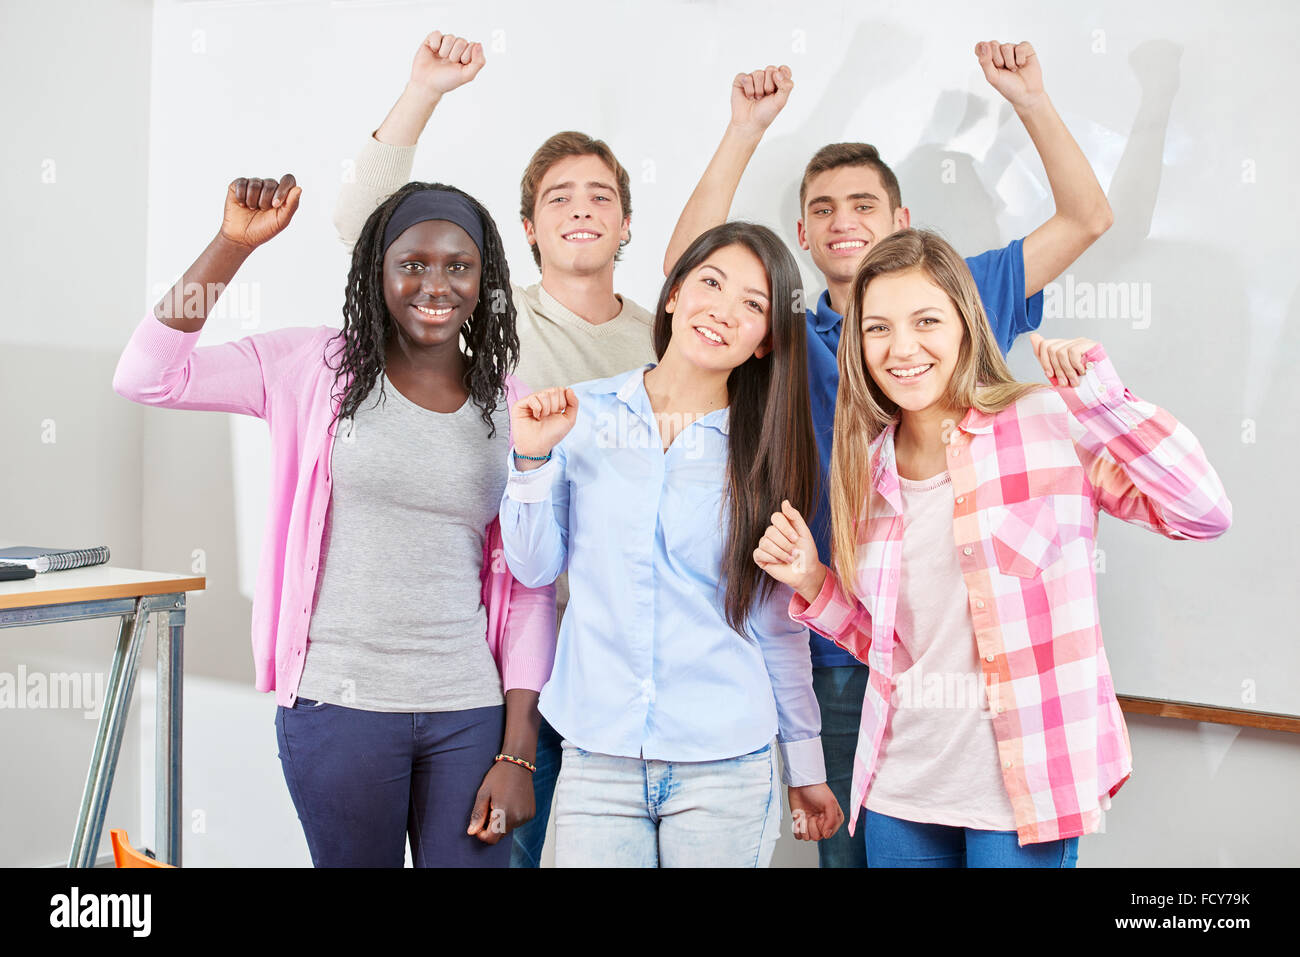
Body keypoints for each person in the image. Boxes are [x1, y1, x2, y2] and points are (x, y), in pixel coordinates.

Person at [663, 41, 1115, 866]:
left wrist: (1032, 101)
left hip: (981, 653)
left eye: (864, 205)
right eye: (824, 208)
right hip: (843, 644)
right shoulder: (788, 339)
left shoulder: (964, 291)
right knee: (854, 856)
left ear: (901, 224)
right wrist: (743, 129)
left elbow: (1088, 218)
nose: (844, 221)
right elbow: (682, 276)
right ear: (802, 233)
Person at [112, 173, 556, 867]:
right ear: (376, 271)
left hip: (469, 710)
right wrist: (232, 245)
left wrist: (519, 750)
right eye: (411, 264)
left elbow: (530, 582)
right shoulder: (313, 368)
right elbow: (147, 375)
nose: (435, 285)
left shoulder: (512, 405)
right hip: (338, 705)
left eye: (458, 266)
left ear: (484, 279)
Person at [753, 229, 1232, 867]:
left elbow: (1202, 514)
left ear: (966, 325)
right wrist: (813, 581)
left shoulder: (1048, 423)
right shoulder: (867, 469)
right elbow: (893, 647)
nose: (901, 349)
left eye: (926, 320)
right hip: (903, 787)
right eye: (878, 329)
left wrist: (1103, 402)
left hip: (1021, 793)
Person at [333, 30, 657, 866]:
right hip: (508, 657)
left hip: (623, 655)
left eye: (599, 195)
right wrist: (423, 91)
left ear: (625, 223)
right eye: (557, 197)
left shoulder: (668, 337)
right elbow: (362, 228)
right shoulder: (486, 320)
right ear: (528, 228)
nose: (580, 207)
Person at [499, 222, 843, 866]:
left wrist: (806, 764)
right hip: (597, 752)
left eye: (753, 303)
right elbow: (534, 565)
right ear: (673, 294)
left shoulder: (768, 455)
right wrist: (529, 461)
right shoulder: (582, 414)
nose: (723, 310)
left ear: (767, 340)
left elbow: (777, 627)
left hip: (726, 764)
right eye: (710, 283)